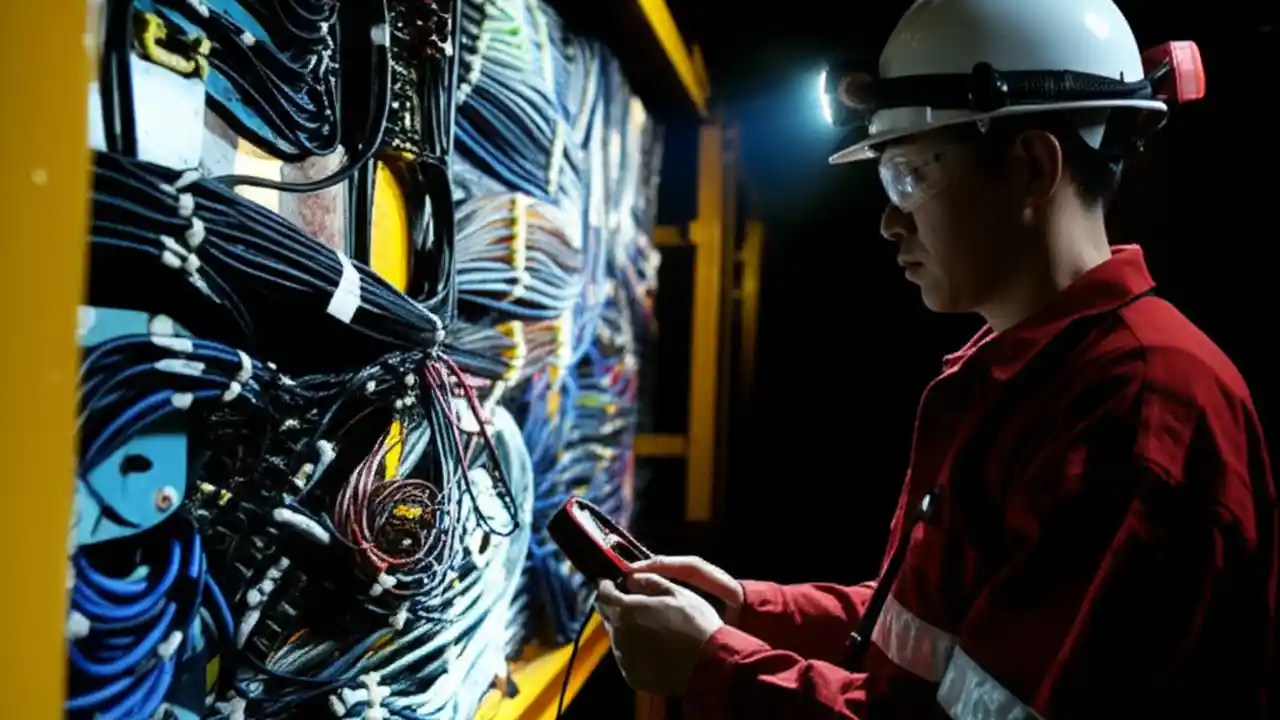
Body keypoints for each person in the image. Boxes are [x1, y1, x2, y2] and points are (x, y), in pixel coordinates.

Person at [594, 0, 1279, 717]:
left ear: (1032, 166)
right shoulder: (1032, 372)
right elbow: (937, 639)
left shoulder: (1141, 408)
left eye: (911, 175)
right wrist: (746, 611)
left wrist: (716, 667)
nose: (890, 221)